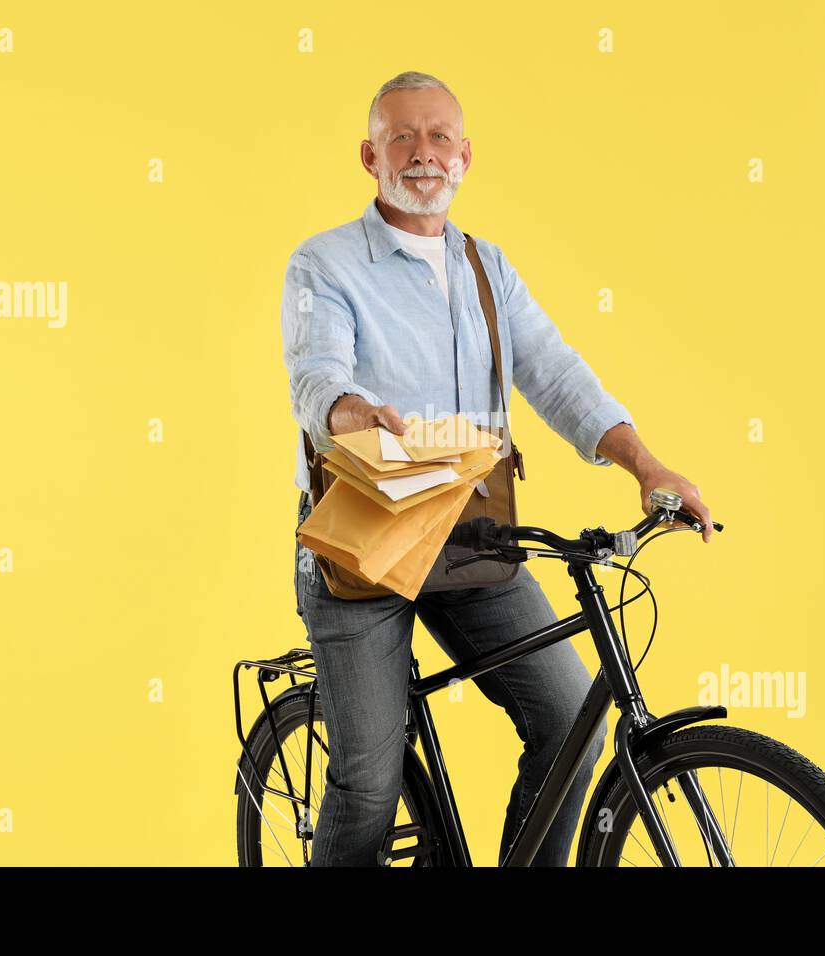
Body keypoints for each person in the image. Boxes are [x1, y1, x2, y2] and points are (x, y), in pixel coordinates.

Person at [280, 71, 714, 866]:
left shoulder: (488, 267)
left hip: (474, 538)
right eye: (401, 137)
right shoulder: (325, 264)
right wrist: (356, 412)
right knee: (370, 782)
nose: (421, 153)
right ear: (369, 155)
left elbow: (555, 373)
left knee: (571, 724)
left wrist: (645, 467)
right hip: (364, 550)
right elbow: (316, 376)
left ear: (466, 156)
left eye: (438, 136)